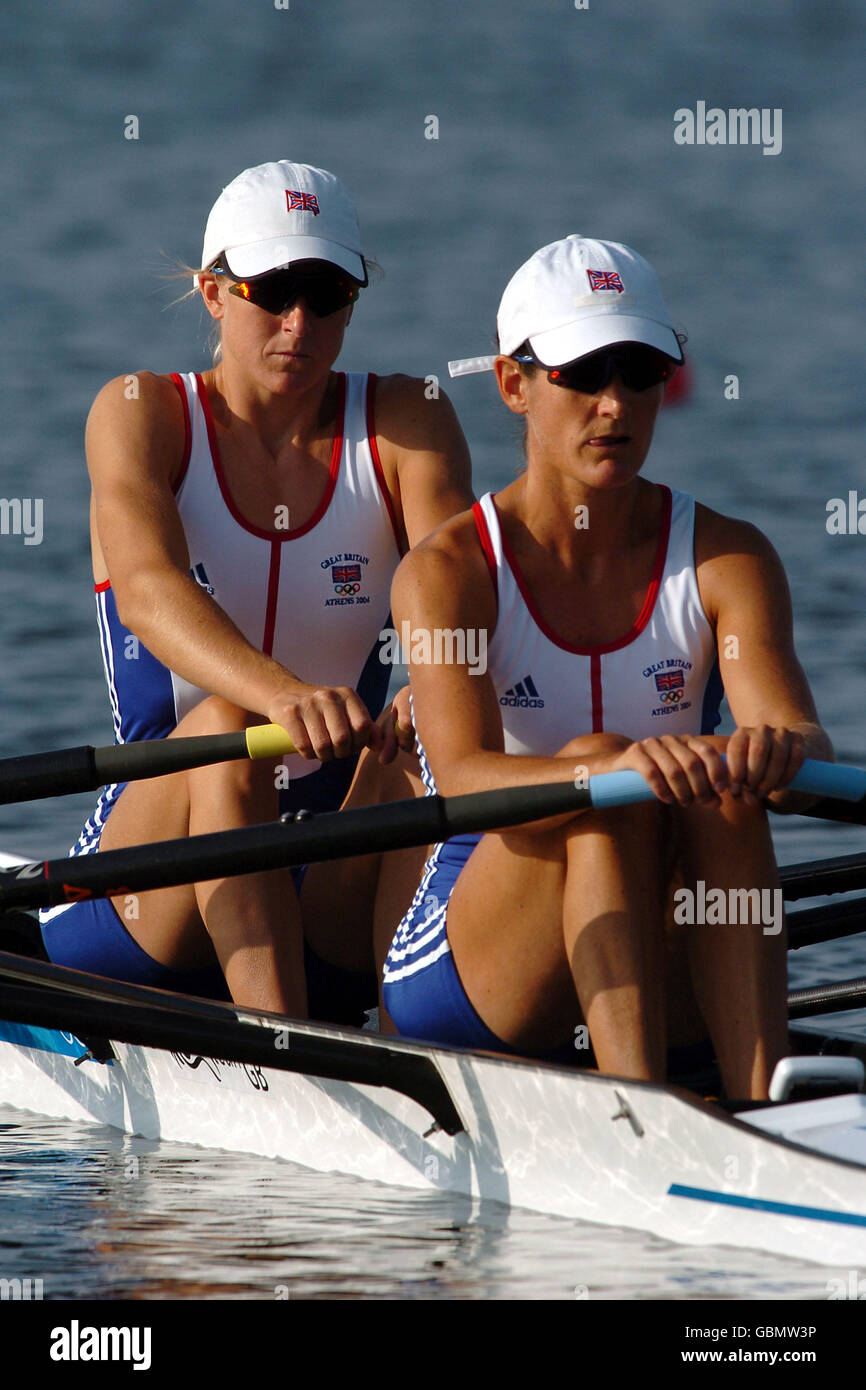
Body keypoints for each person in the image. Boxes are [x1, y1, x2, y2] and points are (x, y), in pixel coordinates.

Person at [382, 235, 832, 1101]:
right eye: (583, 375)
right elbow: (467, 782)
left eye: (639, 372)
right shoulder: (447, 571)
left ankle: (758, 1108)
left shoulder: (730, 557)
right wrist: (604, 767)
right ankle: (643, 1117)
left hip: (656, 941)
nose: (615, 405)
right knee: (608, 785)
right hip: (469, 968)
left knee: (729, 793)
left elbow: (801, 729)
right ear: (514, 385)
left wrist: (784, 753)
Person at [39, 159, 473, 1017]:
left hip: (331, 860)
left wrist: (438, 682)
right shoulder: (141, 412)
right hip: (144, 880)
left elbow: (461, 593)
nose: (299, 323)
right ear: (211, 292)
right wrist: (282, 695)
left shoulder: (406, 419)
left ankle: (430, 1032)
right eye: (271, 292)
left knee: (434, 740)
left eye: (327, 293)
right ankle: (289, 1051)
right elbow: (149, 594)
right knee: (235, 731)